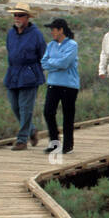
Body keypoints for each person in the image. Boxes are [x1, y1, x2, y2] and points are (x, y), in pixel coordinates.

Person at [4, 2, 45, 150]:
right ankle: (31, 129)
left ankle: (22, 140)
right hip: (13, 73)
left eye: (20, 15)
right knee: (15, 106)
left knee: (25, 107)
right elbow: (9, 50)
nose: (17, 18)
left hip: (29, 74)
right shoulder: (11, 33)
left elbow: (43, 55)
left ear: (27, 17)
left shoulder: (36, 34)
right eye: (15, 15)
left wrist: (35, 71)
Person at [41, 18, 79, 155]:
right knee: (48, 112)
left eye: (53, 29)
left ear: (61, 30)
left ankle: (68, 145)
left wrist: (53, 63)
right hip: (53, 83)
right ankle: (54, 142)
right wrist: (55, 63)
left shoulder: (72, 45)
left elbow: (65, 63)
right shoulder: (50, 45)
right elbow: (44, 63)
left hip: (69, 85)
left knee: (68, 115)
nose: (51, 32)